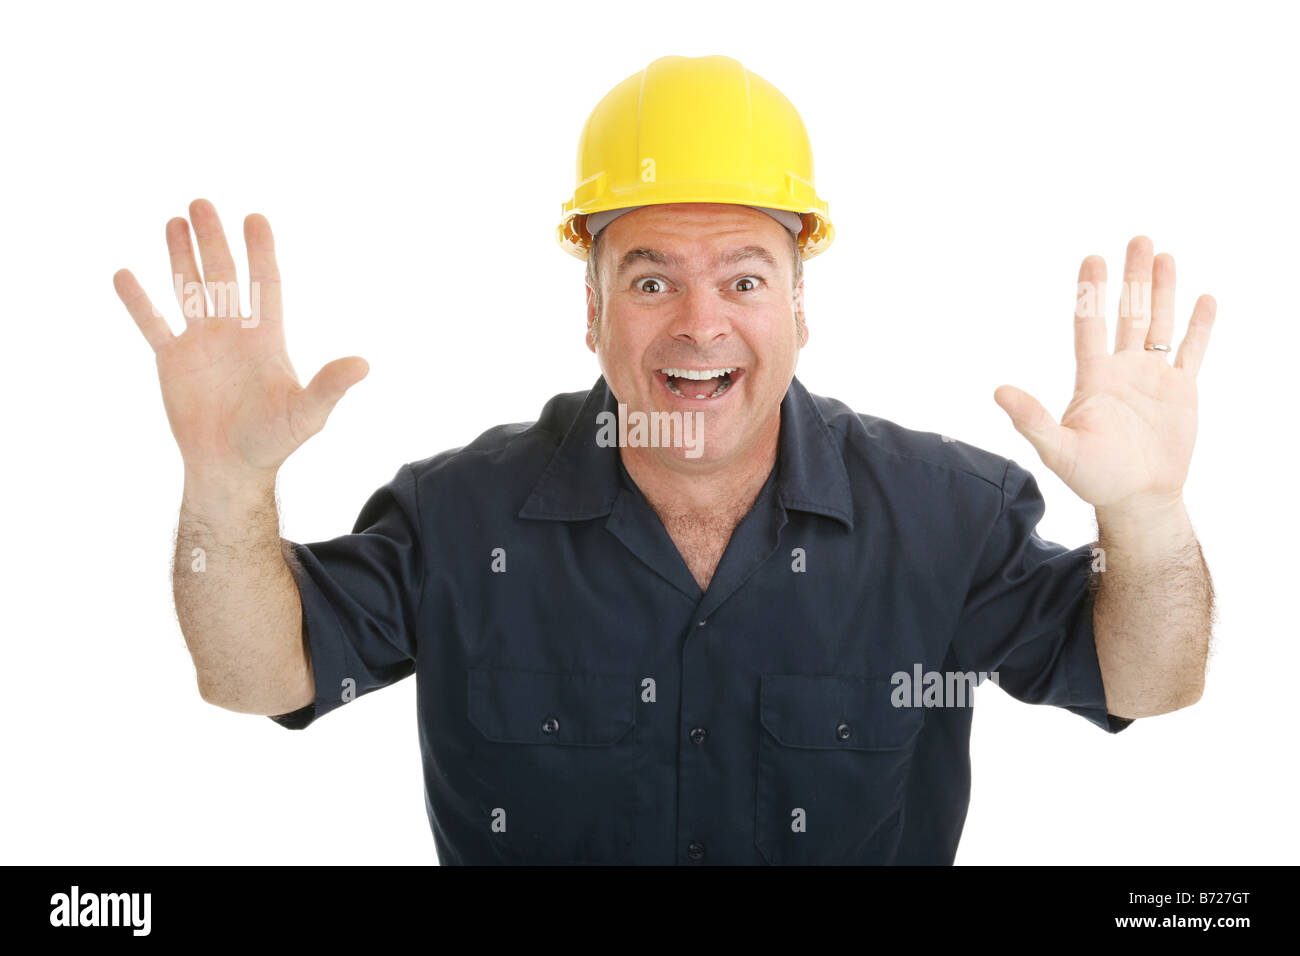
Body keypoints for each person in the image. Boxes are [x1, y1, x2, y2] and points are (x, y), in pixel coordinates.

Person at [114, 55, 1217, 865]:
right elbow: (256, 674)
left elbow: (1148, 680)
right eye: (649, 280)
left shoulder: (944, 515)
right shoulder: (460, 517)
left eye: (742, 277)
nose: (699, 324)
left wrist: (1149, 514)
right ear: (589, 311)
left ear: (798, 305)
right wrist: (223, 480)